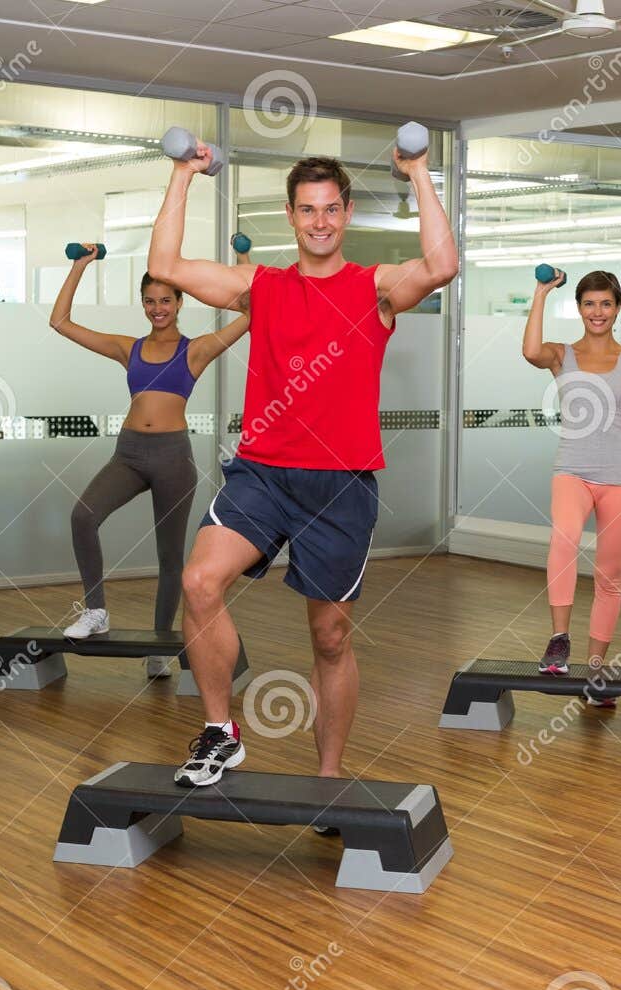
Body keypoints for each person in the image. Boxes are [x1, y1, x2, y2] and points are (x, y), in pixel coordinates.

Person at [149, 138, 457, 792]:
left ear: (345, 215)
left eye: (330, 209)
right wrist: (182, 174)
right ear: (290, 216)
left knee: (330, 638)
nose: (319, 220)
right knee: (200, 580)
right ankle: (219, 730)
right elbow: (166, 263)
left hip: (339, 485)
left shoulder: (373, 287)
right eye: (307, 209)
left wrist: (420, 172)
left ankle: (326, 777)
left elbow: (442, 263)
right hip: (261, 472)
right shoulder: (261, 287)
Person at [50, 246, 249, 641]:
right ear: (143, 304)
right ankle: (95, 611)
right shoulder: (130, 348)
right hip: (129, 454)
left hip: (173, 459)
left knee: (170, 557)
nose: (158, 308)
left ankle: (160, 643)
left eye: (165, 301)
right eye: (150, 301)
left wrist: (243, 265)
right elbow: (60, 321)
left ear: (180, 303)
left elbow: (254, 314)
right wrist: (79, 265)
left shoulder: (196, 350)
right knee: (83, 517)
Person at [524, 268, 621, 706]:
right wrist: (542, 291)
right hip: (573, 469)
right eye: (589, 303)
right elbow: (529, 350)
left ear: (617, 308)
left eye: (606, 303)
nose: (597, 312)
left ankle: (597, 672)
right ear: (579, 308)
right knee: (563, 540)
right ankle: (559, 640)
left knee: (610, 574)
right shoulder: (560, 354)